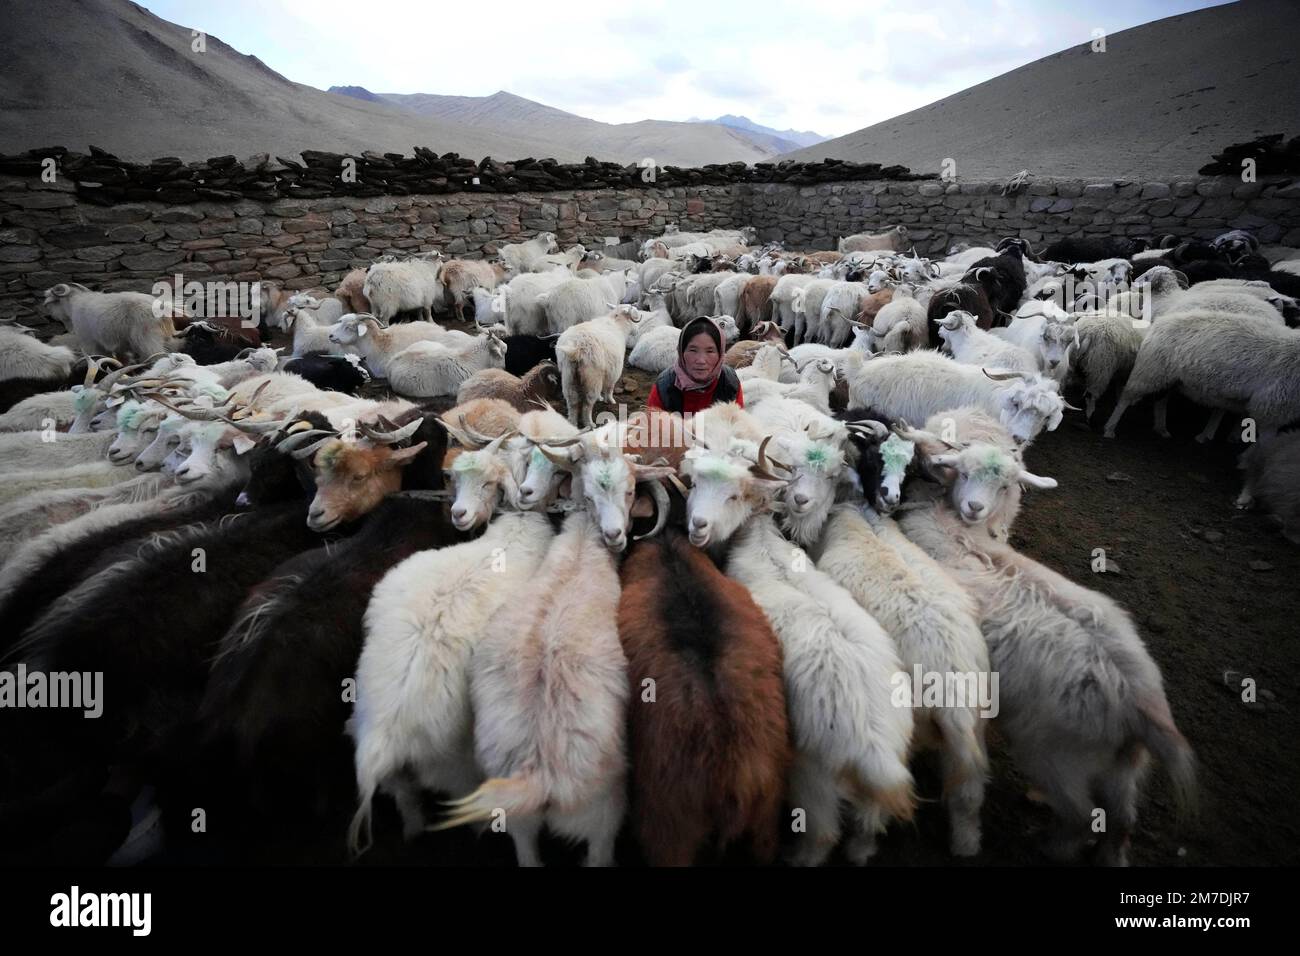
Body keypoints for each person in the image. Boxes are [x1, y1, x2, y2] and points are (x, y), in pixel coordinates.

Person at [646, 315, 744, 413]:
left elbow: (738, 424)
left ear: (720, 354)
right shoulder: (665, 386)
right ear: (681, 352)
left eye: (710, 351)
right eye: (693, 350)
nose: (701, 360)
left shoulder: (730, 384)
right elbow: (652, 425)